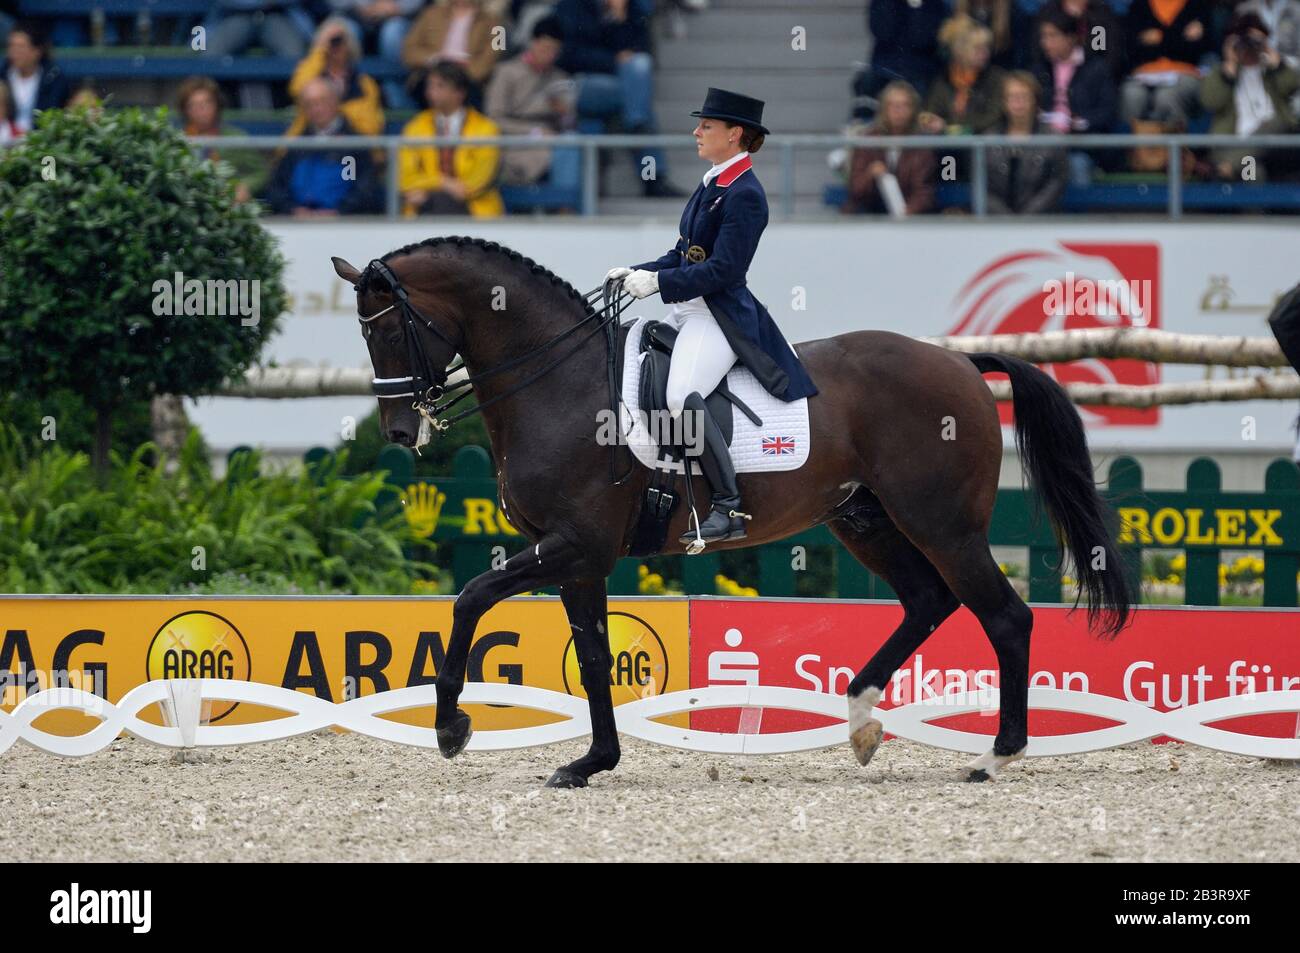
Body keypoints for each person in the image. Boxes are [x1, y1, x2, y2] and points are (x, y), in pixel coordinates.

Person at [609, 89, 819, 547]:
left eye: (706, 126)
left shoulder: (746, 194)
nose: (696, 132)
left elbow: (724, 270)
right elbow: (682, 254)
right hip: (688, 311)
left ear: (735, 133)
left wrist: (660, 285)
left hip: (718, 318)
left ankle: (728, 505)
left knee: (682, 394)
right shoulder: (713, 182)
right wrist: (640, 271)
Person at [554, 0, 685, 197]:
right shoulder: (572, 6)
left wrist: (619, 20)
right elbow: (568, 56)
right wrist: (612, 61)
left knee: (640, 65)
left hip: (621, 83)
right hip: (582, 83)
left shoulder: (632, 8)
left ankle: (636, 120)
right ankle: (652, 175)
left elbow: (644, 52)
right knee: (638, 100)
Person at [484, 15, 581, 194]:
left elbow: (569, 125)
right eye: (545, 48)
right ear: (532, 43)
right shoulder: (506, 72)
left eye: (555, 51)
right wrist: (534, 132)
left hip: (551, 141)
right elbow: (494, 119)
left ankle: (565, 208)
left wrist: (564, 113)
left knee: (571, 142)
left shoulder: (561, 79)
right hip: (514, 141)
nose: (549, 56)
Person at [261, 77, 384, 216]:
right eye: (308, 104)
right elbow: (277, 187)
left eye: (321, 101)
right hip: (298, 223)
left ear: (336, 101)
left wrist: (339, 211)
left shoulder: (354, 145)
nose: (316, 109)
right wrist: (292, 209)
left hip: (345, 225)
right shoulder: (296, 146)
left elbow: (363, 187)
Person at [1199, 11, 1299, 177]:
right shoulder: (1221, 73)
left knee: (1275, 122)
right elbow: (1211, 101)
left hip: (1274, 145)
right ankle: (1233, 167)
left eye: (1255, 40)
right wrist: (1229, 66)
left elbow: (1292, 86)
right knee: (1253, 172)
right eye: (1245, 41)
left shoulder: (1272, 69)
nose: (1250, 45)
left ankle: (1227, 166)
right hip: (1236, 144)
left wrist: (1275, 62)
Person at [398, 60, 505, 216]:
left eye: (439, 86)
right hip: (426, 205)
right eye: (430, 86)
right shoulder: (414, 127)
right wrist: (443, 183)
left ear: (459, 93)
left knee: (442, 203)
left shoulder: (486, 129)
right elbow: (405, 177)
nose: (430, 92)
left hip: (471, 208)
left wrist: (431, 188)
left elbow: (480, 179)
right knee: (437, 204)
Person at [842, 80, 938, 215]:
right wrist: (870, 174)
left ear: (913, 110)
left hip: (908, 216)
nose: (898, 111)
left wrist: (909, 211)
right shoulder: (867, 141)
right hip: (870, 214)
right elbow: (855, 189)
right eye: (893, 105)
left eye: (904, 105)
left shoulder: (921, 146)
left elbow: (924, 191)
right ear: (883, 109)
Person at [986, 71, 1069, 213]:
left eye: (1024, 96)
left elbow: (1056, 182)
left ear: (1035, 100)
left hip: (1040, 222)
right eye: (1012, 97)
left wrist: (1028, 216)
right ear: (1003, 102)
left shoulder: (1053, 139)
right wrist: (1004, 217)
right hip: (996, 224)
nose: (1018, 103)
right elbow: (981, 187)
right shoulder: (988, 139)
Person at [177, 76, 270, 203]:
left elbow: (260, 173)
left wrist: (244, 187)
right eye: (193, 105)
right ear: (185, 110)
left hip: (229, 206)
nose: (200, 110)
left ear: (217, 105)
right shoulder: (178, 141)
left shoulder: (236, 138)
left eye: (206, 103)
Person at [288, 17, 385, 137]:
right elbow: (298, 89)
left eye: (338, 40)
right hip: (313, 140)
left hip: (351, 146)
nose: (334, 46)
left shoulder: (364, 83)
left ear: (349, 44)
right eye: (330, 41)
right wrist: (319, 50)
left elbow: (371, 126)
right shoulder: (311, 75)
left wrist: (336, 111)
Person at [851, 0, 947, 121]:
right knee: (866, 82)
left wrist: (916, 7)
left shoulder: (934, 4)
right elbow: (882, 31)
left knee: (920, 88)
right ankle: (863, 127)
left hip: (921, 69)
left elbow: (922, 39)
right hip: (885, 66)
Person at [1121, 0, 1212, 126]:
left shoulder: (1197, 6)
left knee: (1166, 96)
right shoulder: (1139, 6)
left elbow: (1197, 50)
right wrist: (1178, 37)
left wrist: (1159, 38)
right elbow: (1132, 49)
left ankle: (1174, 145)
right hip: (1144, 74)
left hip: (1186, 73)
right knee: (1131, 94)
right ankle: (1136, 145)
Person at [402, 0, 503, 108]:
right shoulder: (430, 14)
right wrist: (434, 59)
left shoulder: (494, 20)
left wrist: (469, 73)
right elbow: (409, 48)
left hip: (469, 76)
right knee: (429, 84)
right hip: (433, 69)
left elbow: (496, 52)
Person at [920, 16, 1007, 133]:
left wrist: (950, 127)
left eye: (987, 47)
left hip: (980, 141)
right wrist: (930, 121)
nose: (985, 53)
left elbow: (993, 117)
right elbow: (931, 111)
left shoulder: (997, 78)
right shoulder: (943, 80)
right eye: (978, 49)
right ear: (960, 50)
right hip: (947, 143)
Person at [4, 22, 70, 133]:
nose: (14, 53)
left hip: (41, 143)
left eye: (20, 47)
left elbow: (56, 115)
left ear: (37, 51)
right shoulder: (2, 76)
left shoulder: (54, 79)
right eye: (12, 46)